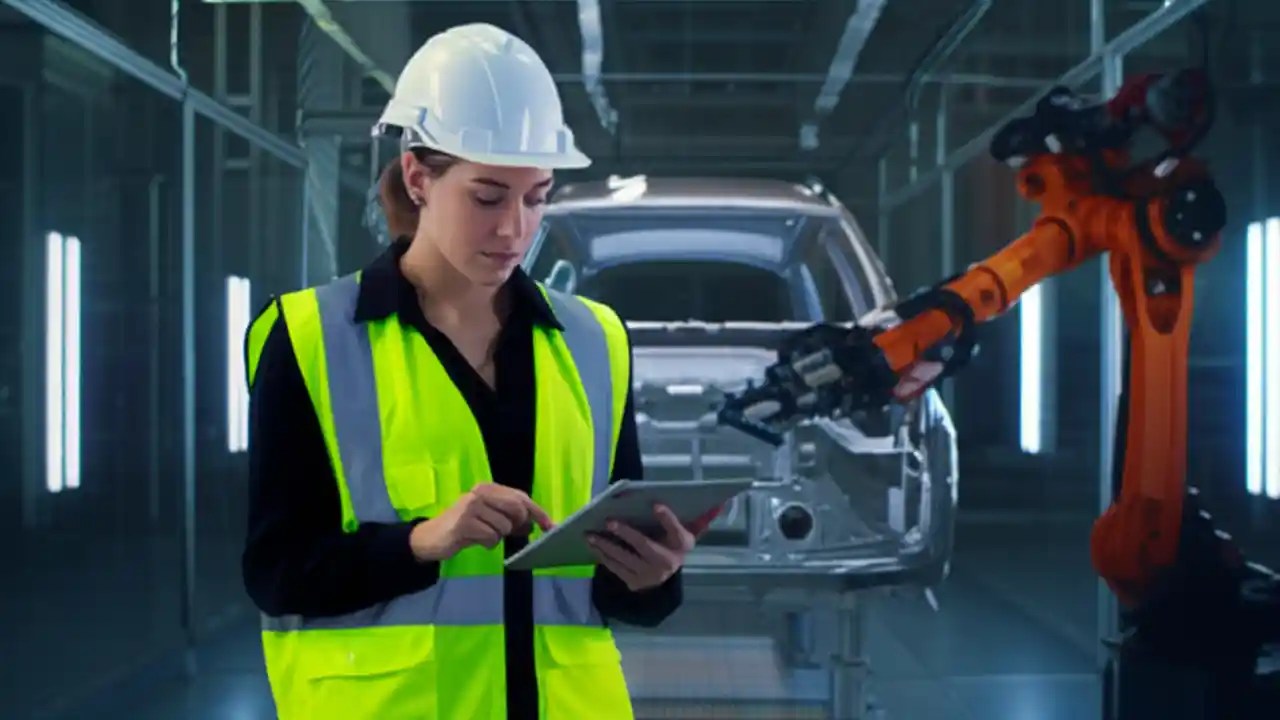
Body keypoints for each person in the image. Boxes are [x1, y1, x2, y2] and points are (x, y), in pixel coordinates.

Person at [240, 23, 707, 720]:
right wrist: (422, 541)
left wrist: (654, 578)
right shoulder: (309, 338)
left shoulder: (594, 340)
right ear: (418, 178)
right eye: (488, 197)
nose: (515, 229)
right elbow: (277, 574)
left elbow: (606, 594)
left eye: (536, 196)